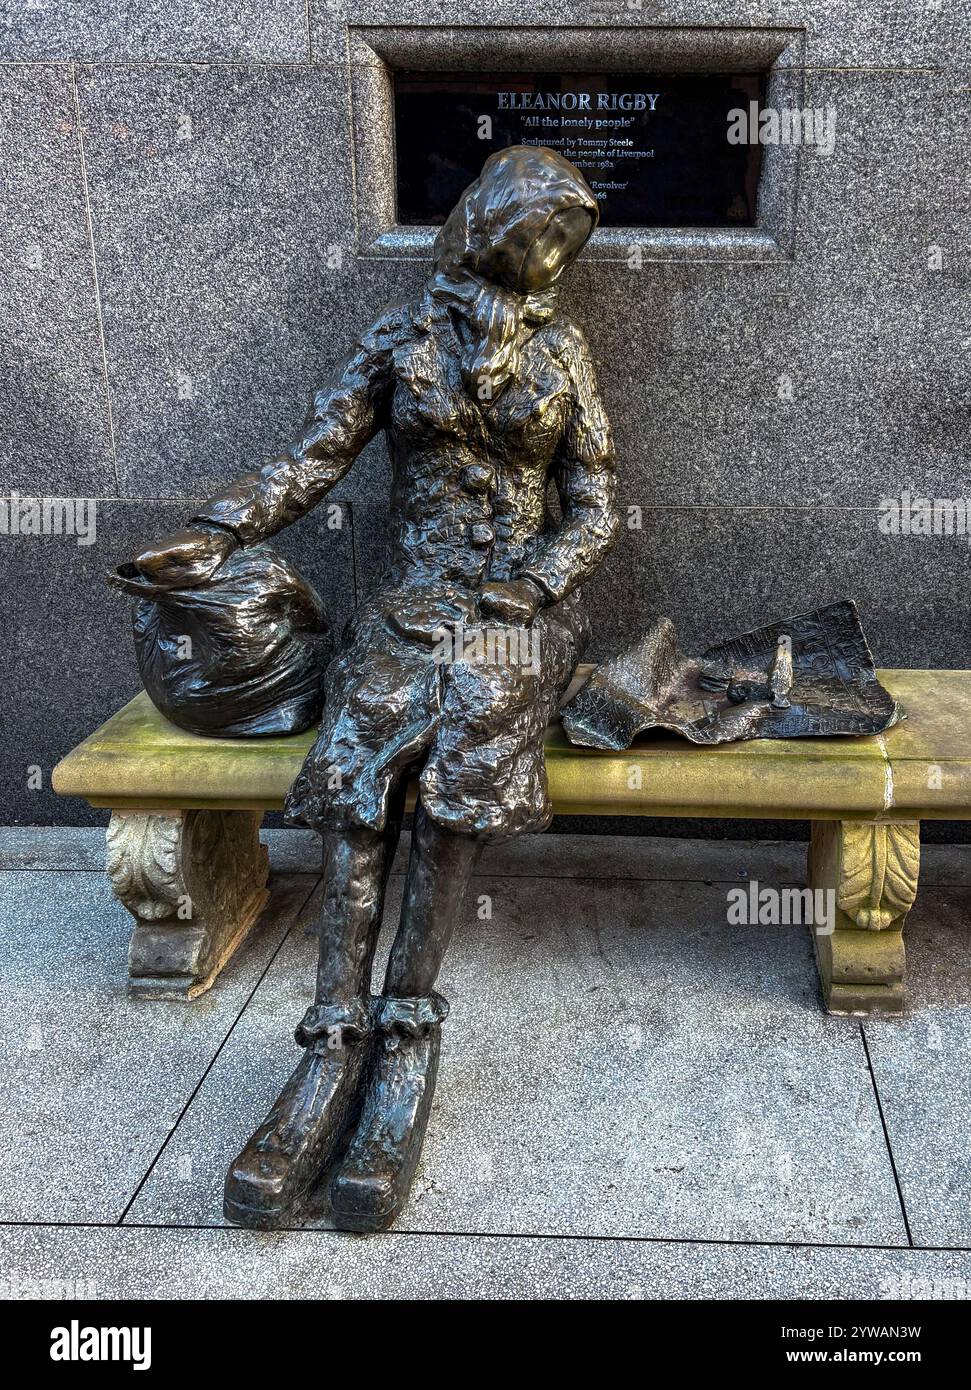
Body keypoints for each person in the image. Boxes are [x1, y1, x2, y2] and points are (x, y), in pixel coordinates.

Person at [132, 146, 619, 1231]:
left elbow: (594, 504)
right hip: (411, 602)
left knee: (462, 753)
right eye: (529, 236)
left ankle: (404, 1038)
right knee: (362, 762)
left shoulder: (565, 352)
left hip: (519, 613)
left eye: (561, 247)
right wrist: (214, 531)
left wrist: (530, 584)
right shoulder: (397, 340)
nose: (544, 261)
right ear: (482, 225)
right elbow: (307, 462)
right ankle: (327, 1046)